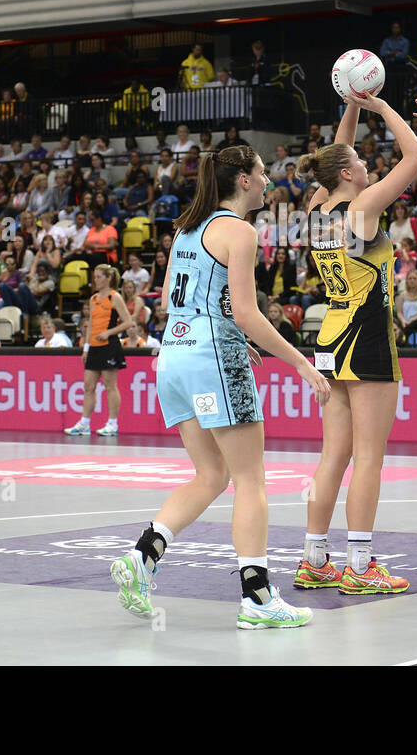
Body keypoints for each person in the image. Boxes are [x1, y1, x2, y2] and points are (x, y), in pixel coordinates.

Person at [110, 145, 331, 630]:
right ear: (244, 181)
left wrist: (226, 331)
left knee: (211, 475)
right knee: (250, 479)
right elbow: (250, 313)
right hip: (213, 359)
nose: (270, 179)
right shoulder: (241, 231)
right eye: (263, 172)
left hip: (173, 357)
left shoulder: (189, 227)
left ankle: (143, 554)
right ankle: (257, 597)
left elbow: (171, 297)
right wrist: (300, 363)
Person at [295, 90, 417, 596]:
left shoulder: (317, 205)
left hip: (329, 335)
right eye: (361, 161)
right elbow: (416, 155)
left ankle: (314, 560)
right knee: (369, 457)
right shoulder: (364, 206)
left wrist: (349, 105)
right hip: (367, 337)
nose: (368, 163)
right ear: (348, 174)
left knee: (334, 456)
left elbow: (336, 153)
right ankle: (360, 565)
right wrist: (382, 109)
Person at [65, 264, 135, 437]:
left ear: (108, 279)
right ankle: (84, 424)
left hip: (109, 346)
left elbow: (128, 322)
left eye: (98, 277)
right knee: (89, 386)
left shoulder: (115, 296)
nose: (95, 280)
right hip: (94, 348)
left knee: (110, 386)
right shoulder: (93, 298)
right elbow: (90, 326)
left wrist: (108, 333)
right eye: (94, 277)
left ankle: (112, 424)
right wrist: (86, 349)